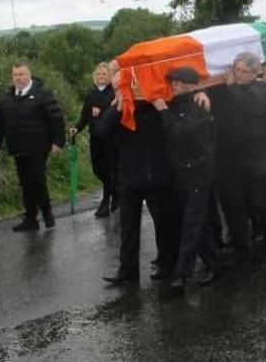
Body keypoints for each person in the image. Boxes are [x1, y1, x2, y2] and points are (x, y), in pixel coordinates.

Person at [96, 95, 181, 284]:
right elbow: (101, 131)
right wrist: (117, 107)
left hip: (156, 173)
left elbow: (174, 128)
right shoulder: (122, 105)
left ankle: (167, 264)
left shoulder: (158, 102)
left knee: (163, 224)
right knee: (128, 227)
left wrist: (159, 105)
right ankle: (127, 270)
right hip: (129, 174)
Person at [150, 66, 219, 293]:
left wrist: (162, 110)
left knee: (191, 224)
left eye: (179, 81)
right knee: (198, 223)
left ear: (191, 84)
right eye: (173, 81)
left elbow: (179, 132)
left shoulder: (198, 105)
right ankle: (214, 264)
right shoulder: (176, 103)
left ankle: (181, 275)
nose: (175, 84)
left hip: (198, 172)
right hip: (181, 172)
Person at [209, 52, 266, 260]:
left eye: (244, 71)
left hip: (256, 154)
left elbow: (251, 107)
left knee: (259, 201)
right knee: (233, 203)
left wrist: (231, 86)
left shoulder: (261, 88)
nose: (239, 74)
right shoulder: (225, 88)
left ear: (255, 73)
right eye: (237, 70)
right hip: (229, 154)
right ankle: (240, 245)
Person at [0, 63, 66, 231]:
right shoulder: (7, 98)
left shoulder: (43, 94)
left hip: (38, 146)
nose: (18, 78)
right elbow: (0, 123)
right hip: (18, 147)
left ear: (29, 75)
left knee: (37, 179)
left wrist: (58, 142)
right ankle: (30, 218)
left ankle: (47, 213)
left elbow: (56, 118)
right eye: (15, 75)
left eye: (21, 74)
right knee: (25, 182)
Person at [71, 62, 119, 218]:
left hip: (111, 138)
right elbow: (85, 116)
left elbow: (116, 113)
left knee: (108, 169)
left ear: (110, 76)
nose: (101, 76)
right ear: (94, 77)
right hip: (95, 138)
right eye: (98, 74)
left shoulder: (114, 93)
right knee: (98, 169)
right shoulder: (91, 94)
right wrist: (76, 128)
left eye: (104, 74)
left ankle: (106, 202)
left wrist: (102, 111)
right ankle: (115, 191)